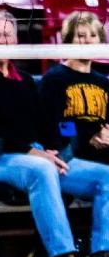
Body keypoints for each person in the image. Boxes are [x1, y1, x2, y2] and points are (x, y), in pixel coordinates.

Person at [0, 9, 109, 257]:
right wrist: (36, 151)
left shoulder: (27, 82)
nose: (1, 41)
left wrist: (54, 151)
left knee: (105, 177)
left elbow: (47, 127)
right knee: (41, 169)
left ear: (16, 40)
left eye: (6, 35)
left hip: (34, 157)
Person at [41, 10, 109, 175]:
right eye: (81, 35)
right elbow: (59, 124)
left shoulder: (104, 82)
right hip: (68, 151)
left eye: (93, 35)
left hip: (102, 149)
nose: (87, 41)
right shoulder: (54, 79)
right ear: (69, 40)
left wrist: (106, 134)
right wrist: (88, 137)